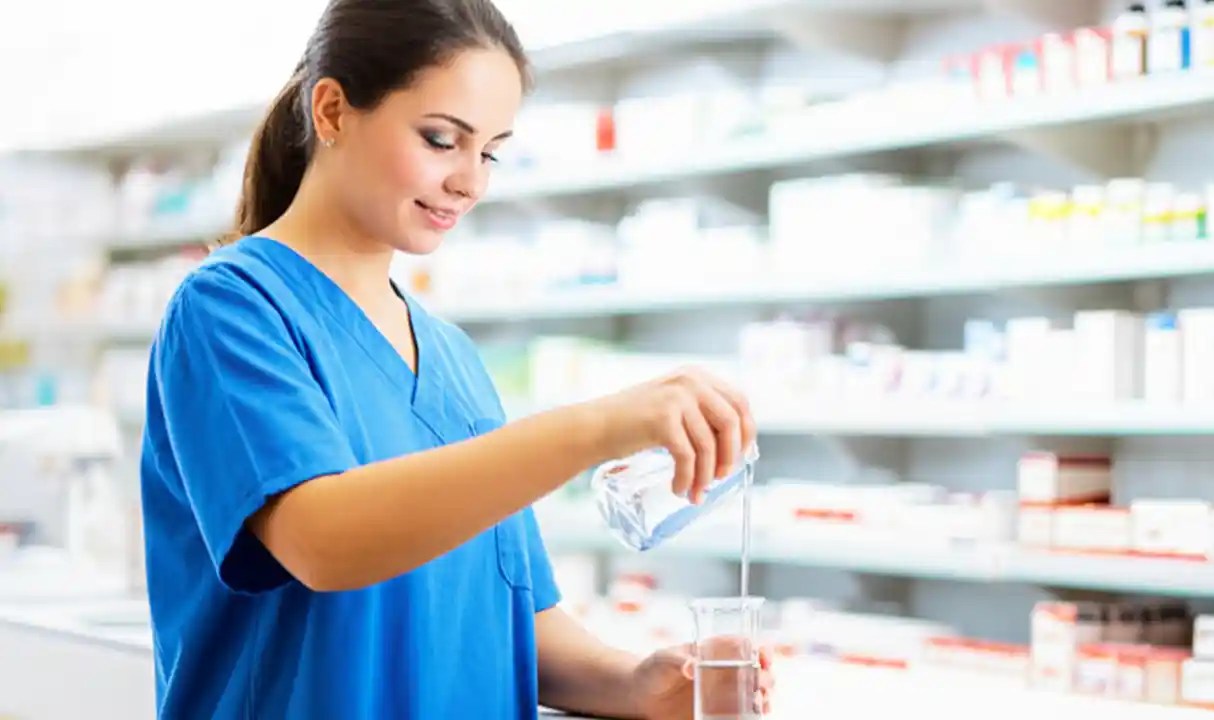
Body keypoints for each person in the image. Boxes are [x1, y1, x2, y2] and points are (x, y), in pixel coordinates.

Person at [139, 1, 774, 718]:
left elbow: (513, 621)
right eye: (443, 139)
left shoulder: (452, 360)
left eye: (491, 151)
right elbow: (325, 541)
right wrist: (596, 428)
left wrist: (637, 684)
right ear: (333, 111)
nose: (471, 181)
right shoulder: (231, 309)